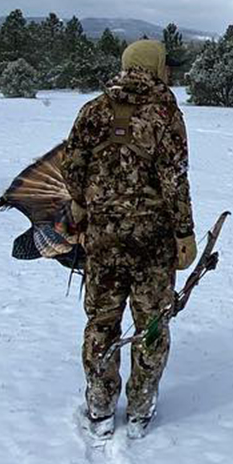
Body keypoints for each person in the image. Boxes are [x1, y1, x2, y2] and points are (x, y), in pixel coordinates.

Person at [59, 38, 196, 436]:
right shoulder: (165, 114)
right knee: (152, 324)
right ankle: (140, 406)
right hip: (152, 243)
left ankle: (100, 405)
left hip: (101, 241)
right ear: (155, 67)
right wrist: (184, 234)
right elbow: (175, 181)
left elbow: (71, 165)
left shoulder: (94, 109)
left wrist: (83, 203)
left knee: (101, 322)